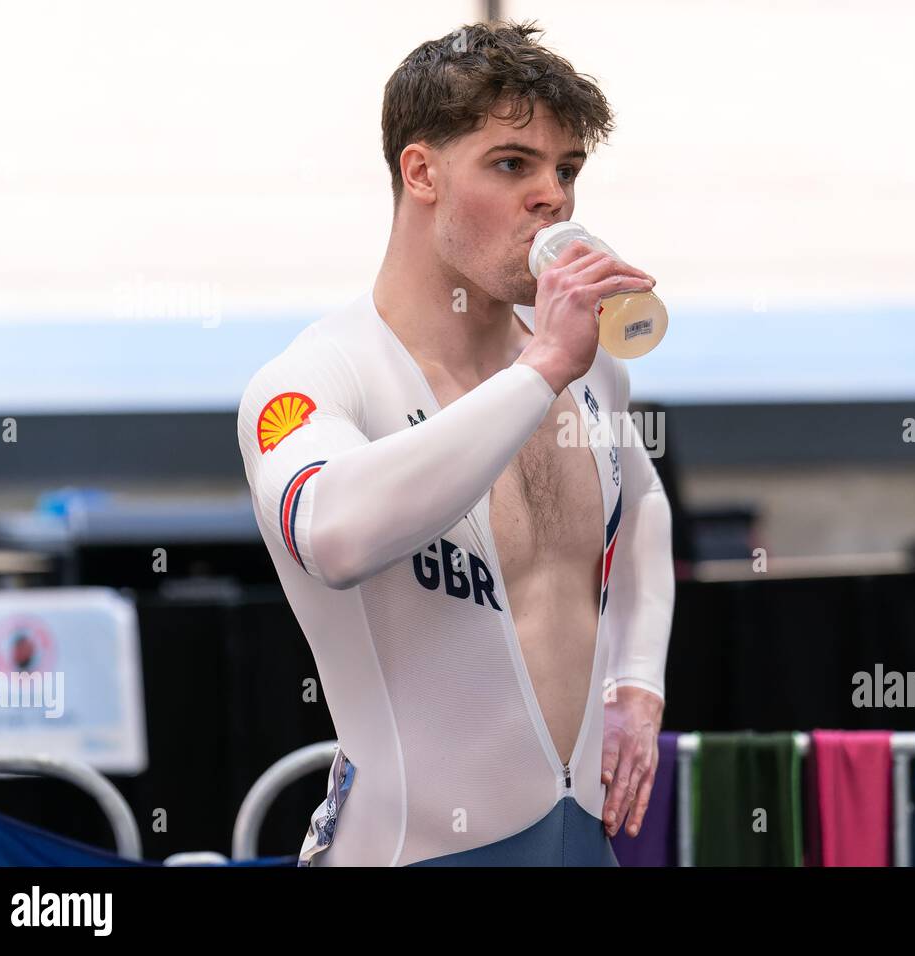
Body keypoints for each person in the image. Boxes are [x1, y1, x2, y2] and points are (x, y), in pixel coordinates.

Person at [236, 19, 674, 866]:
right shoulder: (315, 380)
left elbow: (647, 504)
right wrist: (540, 367)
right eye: (513, 164)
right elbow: (332, 535)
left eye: (567, 169)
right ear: (421, 171)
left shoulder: (589, 371)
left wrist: (637, 682)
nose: (552, 196)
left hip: (581, 841)